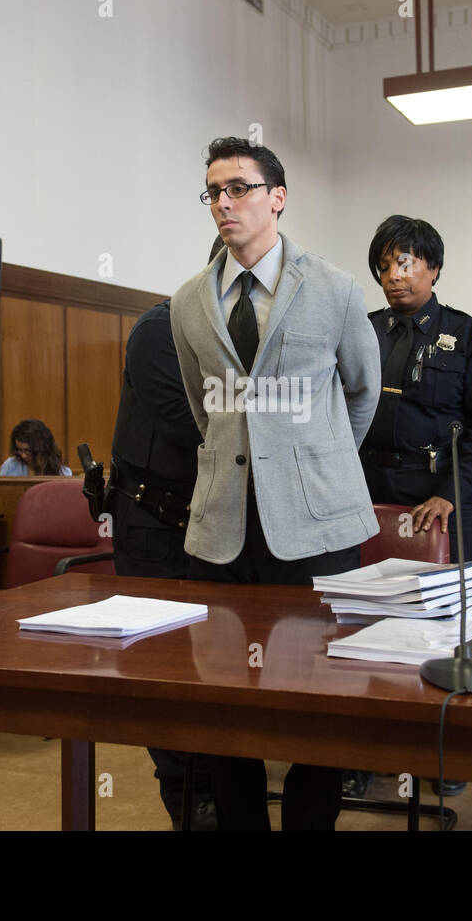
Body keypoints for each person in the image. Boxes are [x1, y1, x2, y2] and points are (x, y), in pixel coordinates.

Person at [170, 136, 380, 831]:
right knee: (227, 698)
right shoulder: (188, 301)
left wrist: (311, 463)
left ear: (277, 197)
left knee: (319, 694)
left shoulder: (336, 288)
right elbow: (207, 407)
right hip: (223, 524)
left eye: (238, 188)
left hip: (316, 525)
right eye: (213, 192)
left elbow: (361, 390)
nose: (223, 203)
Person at [105, 238, 220, 831]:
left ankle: (215, 791)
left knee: (216, 666)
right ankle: (188, 798)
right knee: (162, 671)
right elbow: (192, 421)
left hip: (218, 526)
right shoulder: (161, 327)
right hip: (155, 525)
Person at [359, 215, 472, 561]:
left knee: (445, 605)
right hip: (371, 493)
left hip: (444, 495)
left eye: (404, 264)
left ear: (434, 267)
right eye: (383, 268)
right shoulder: (362, 331)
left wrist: (449, 495)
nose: (393, 276)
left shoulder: (467, 334)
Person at [0, 418, 71, 476]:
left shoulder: (63, 472)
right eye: (19, 450)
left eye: (28, 450)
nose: (23, 455)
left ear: (41, 448)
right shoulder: (9, 466)